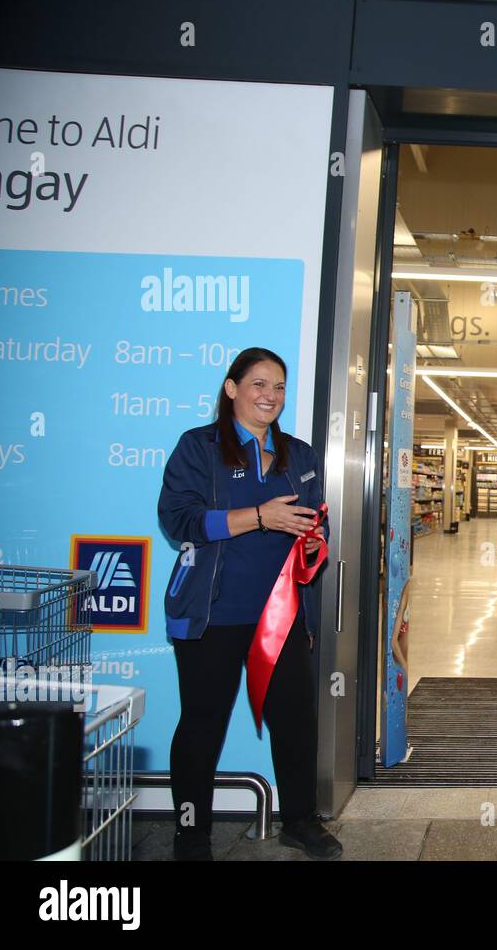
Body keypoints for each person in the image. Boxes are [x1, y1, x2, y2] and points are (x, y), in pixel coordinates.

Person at [157, 347, 340, 861]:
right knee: (203, 721)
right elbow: (178, 520)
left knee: (295, 720)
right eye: (259, 384)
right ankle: (191, 832)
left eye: (279, 387)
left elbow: (316, 523)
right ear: (232, 389)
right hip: (210, 613)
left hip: (279, 616)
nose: (270, 396)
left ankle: (300, 821)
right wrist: (256, 516)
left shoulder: (299, 455)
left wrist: (311, 541)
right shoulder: (198, 447)